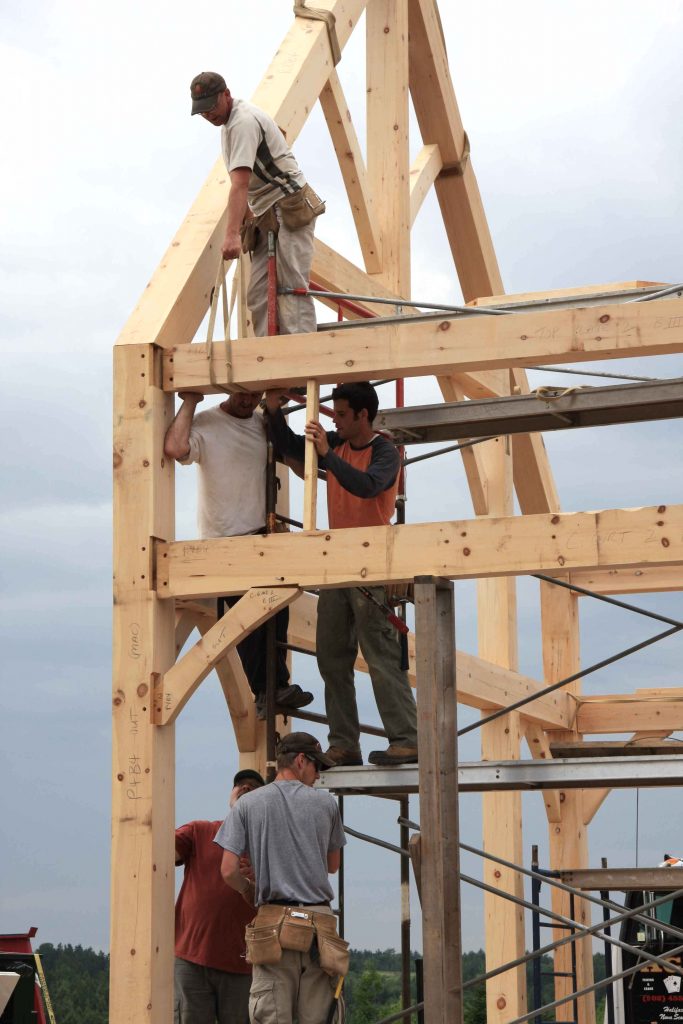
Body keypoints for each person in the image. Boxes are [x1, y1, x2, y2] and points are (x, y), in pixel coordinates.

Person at [264, 382, 419, 767]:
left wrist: (327, 455)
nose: (337, 419)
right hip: (337, 565)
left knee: (382, 656)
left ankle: (407, 738)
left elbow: (367, 487)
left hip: (372, 568)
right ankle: (345, 744)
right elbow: (288, 446)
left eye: (343, 413)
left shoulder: (385, 450)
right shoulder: (338, 446)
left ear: (363, 415)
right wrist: (272, 411)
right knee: (332, 657)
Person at [163, 389, 313, 718]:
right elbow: (175, 447)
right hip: (222, 543)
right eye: (241, 394)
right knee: (248, 626)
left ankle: (272, 691)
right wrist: (189, 401)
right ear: (230, 388)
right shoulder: (207, 422)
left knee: (275, 614)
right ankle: (267, 692)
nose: (247, 400)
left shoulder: (263, 426)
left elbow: (301, 466)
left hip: (260, 538)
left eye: (254, 394)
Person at [214, 733, 346, 1024]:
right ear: (301, 761)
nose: (317, 776)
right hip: (318, 926)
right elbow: (333, 865)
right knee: (321, 1016)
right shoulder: (326, 805)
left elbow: (227, 870)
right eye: (316, 768)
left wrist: (248, 888)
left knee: (271, 1014)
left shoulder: (248, 805)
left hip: (273, 923)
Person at [190, 71, 323, 337]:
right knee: (260, 293)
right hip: (266, 211)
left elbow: (239, 184)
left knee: (291, 285)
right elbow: (248, 186)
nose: (208, 115)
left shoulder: (243, 122)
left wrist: (231, 236)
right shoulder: (227, 125)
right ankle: (268, 361)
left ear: (226, 95)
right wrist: (249, 218)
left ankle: (302, 361)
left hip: (289, 204)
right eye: (203, 111)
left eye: (212, 107)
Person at [174, 768, 265, 1024]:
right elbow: (159, 849)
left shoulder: (269, 848)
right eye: (240, 785)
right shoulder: (200, 831)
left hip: (244, 965)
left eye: (253, 787)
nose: (245, 788)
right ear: (230, 796)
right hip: (191, 959)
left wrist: (258, 882)